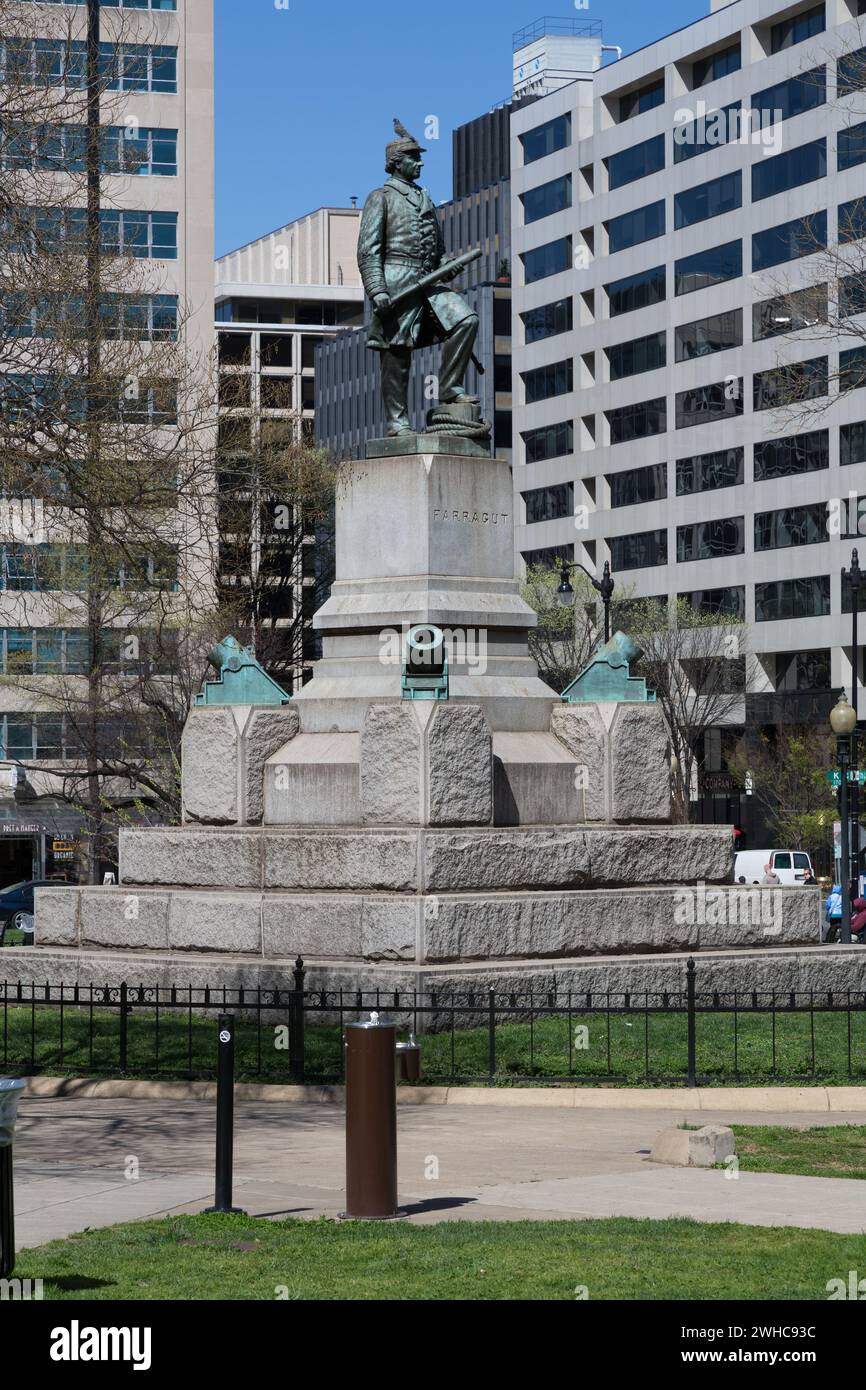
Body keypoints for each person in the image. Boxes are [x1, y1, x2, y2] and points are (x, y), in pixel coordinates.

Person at [357, 121, 480, 438]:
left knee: (465, 319)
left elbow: (436, 250)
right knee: (396, 354)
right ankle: (397, 421)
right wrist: (377, 290)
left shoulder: (426, 199)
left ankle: (450, 388)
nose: (421, 162)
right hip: (397, 281)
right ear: (397, 162)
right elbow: (368, 251)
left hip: (429, 282)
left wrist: (446, 264)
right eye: (414, 158)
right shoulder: (380, 197)